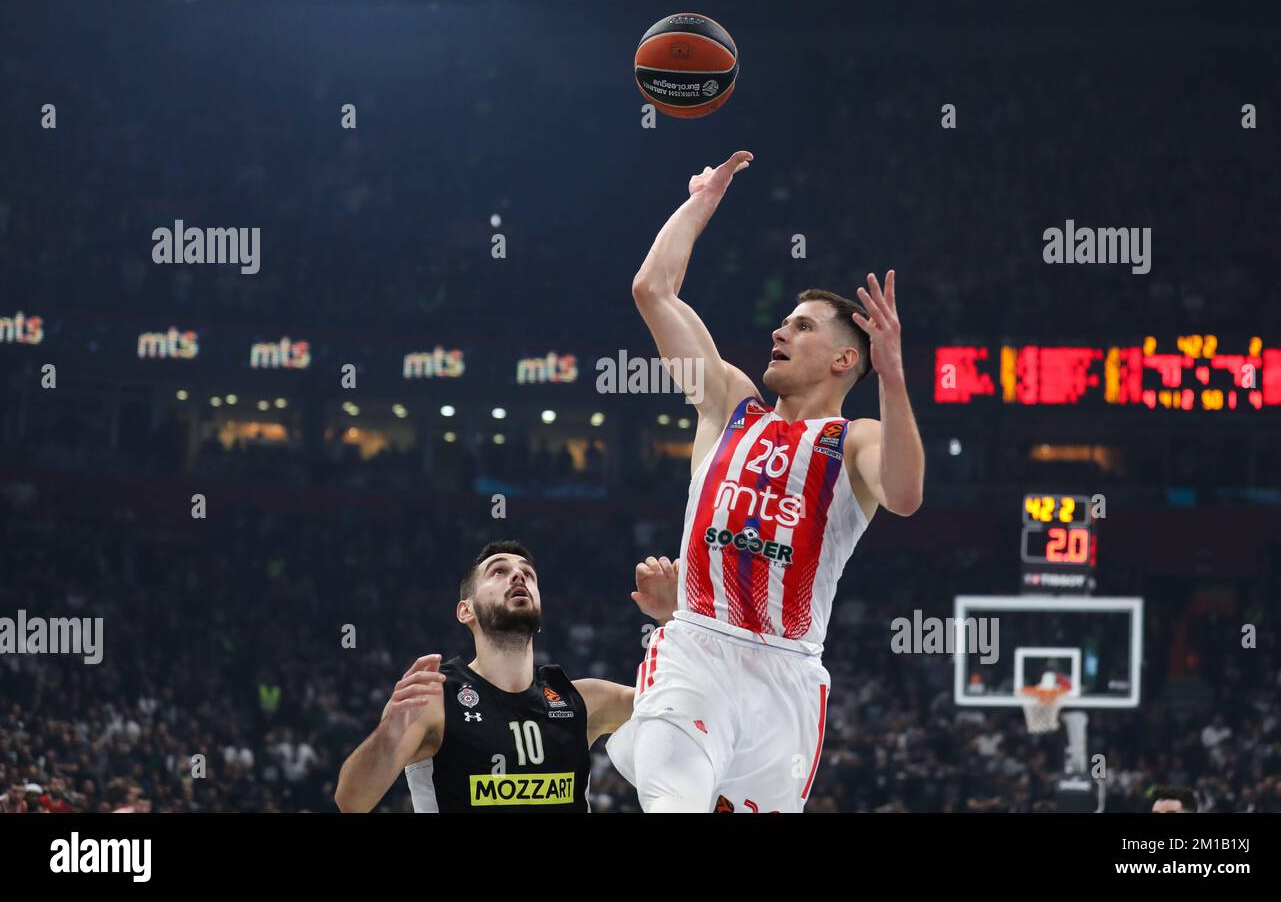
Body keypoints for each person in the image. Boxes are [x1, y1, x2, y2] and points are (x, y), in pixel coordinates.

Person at [608, 151, 926, 813]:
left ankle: (618, 731)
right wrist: (700, 203)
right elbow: (653, 291)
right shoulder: (728, 404)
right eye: (785, 321)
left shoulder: (855, 439)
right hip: (698, 649)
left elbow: (903, 494)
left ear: (845, 358)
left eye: (802, 325)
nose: (780, 330)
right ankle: (624, 727)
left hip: (788, 678)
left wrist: (894, 378)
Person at [334, 543, 675, 812]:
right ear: (465, 610)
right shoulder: (435, 701)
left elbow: (680, 707)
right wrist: (389, 731)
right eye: (498, 571)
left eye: (528, 574)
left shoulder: (583, 699)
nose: (518, 576)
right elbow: (352, 801)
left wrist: (672, 620)